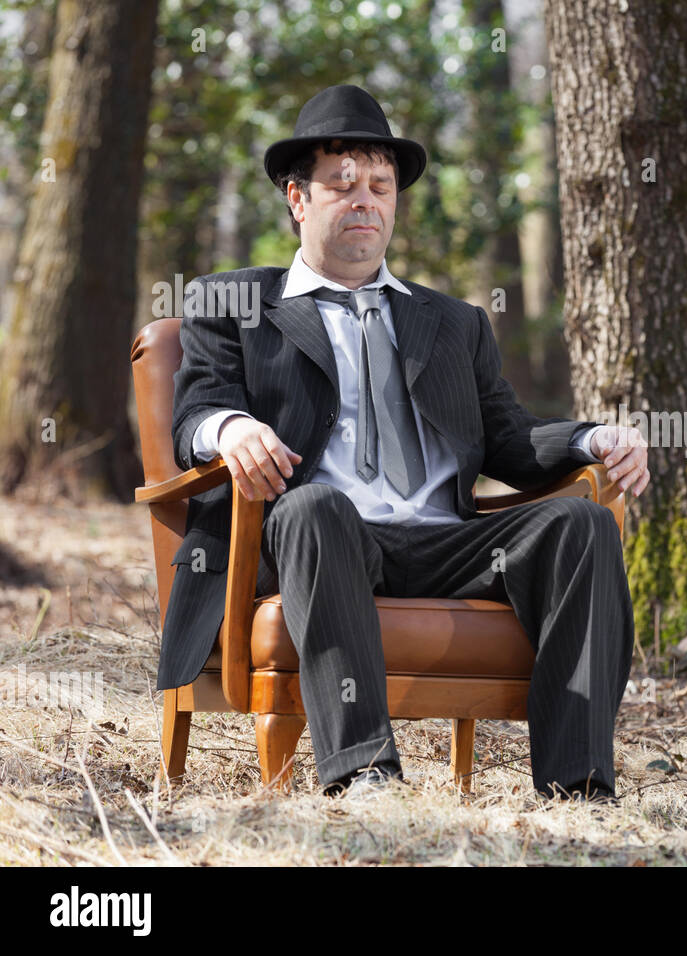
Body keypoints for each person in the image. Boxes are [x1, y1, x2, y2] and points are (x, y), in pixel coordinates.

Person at [158, 84, 648, 802]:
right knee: (315, 507)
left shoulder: (453, 323)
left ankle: (578, 784)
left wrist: (590, 438)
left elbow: (509, 440)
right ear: (298, 199)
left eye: (380, 186)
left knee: (581, 522)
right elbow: (194, 412)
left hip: (449, 542)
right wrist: (231, 429)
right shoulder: (233, 303)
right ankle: (364, 773)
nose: (365, 200)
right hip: (319, 537)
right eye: (342, 184)